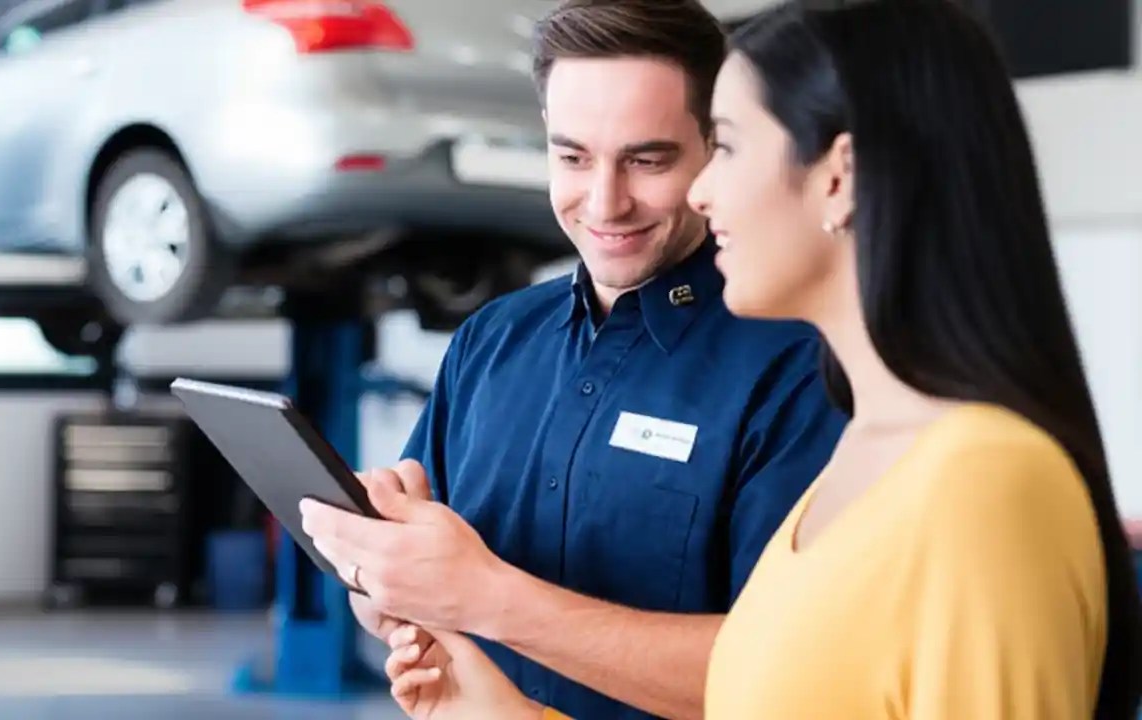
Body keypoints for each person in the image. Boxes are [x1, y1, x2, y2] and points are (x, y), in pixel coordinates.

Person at [380, 0, 1142, 718]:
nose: (702, 192)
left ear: (837, 177)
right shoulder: (863, 471)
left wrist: (487, 598)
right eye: (574, 154)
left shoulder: (985, 480)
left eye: (728, 146)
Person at [297, 1, 848, 718]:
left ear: (717, 151)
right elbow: (407, 609)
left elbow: (793, 677)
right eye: (573, 157)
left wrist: (484, 597)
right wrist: (389, 578)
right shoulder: (491, 343)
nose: (605, 202)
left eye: (647, 160)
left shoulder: (797, 366)